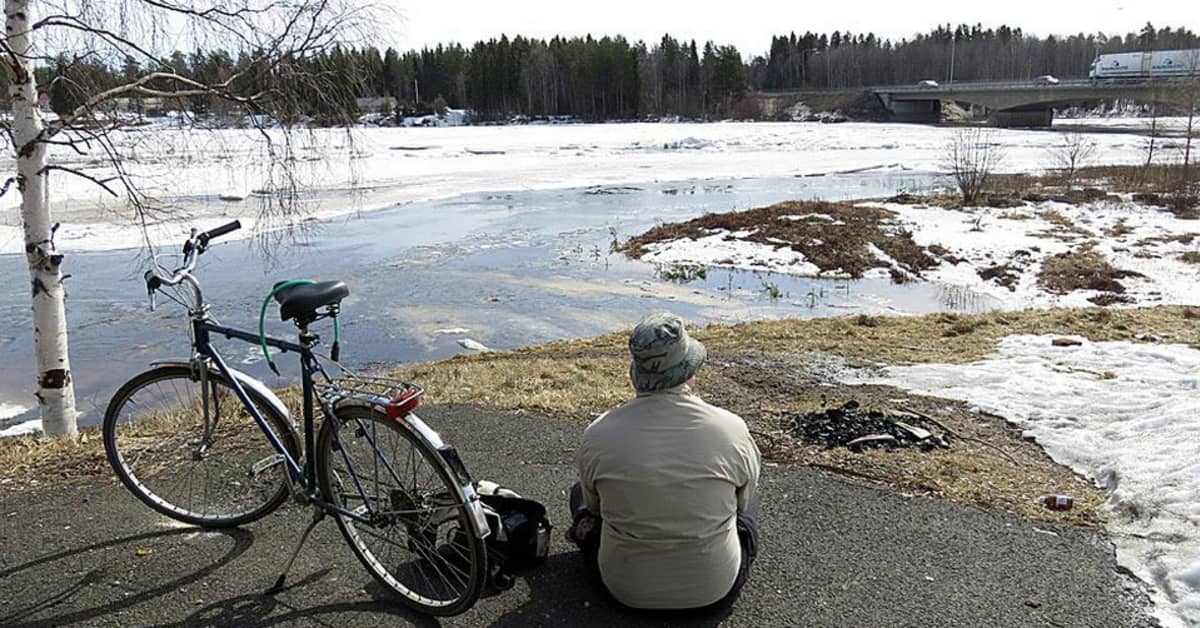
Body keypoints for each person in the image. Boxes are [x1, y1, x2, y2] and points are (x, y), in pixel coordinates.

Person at [568, 312, 761, 612]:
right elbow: (741, 504)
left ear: (637, 372)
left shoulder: (599, 433)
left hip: (623, 589)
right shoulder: (731, 429)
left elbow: (596, 509)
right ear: (689, 371)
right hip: (713, 589)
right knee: (749, 503)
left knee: (580, 491)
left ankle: (587, 536)